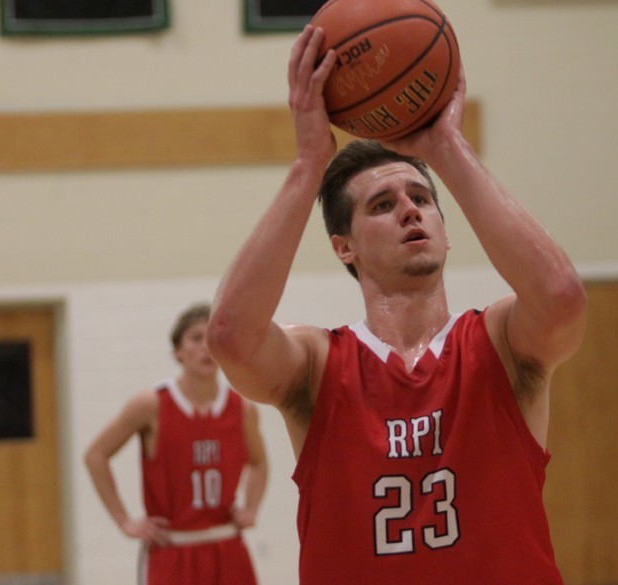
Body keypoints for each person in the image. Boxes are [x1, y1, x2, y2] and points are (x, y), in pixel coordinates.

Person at [207, 25, 587, 585]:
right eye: (383, 204)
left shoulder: (499, 343)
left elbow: (560, 298)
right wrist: (310, 161)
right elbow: (231, 337)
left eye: (422, 199)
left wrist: (445, 149)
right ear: (344, 247)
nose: (410, 210)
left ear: (446, 230)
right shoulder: (318, 364)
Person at [84, 303, 268, 585]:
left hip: (227, 546)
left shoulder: (242, 409)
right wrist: (125, 521)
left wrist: (251, 507)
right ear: (178, 351)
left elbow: (259, 462)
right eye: (196, 338)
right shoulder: (152, 404)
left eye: (213, 339)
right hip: (172, 549)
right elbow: (95, 456)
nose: (206, 347)